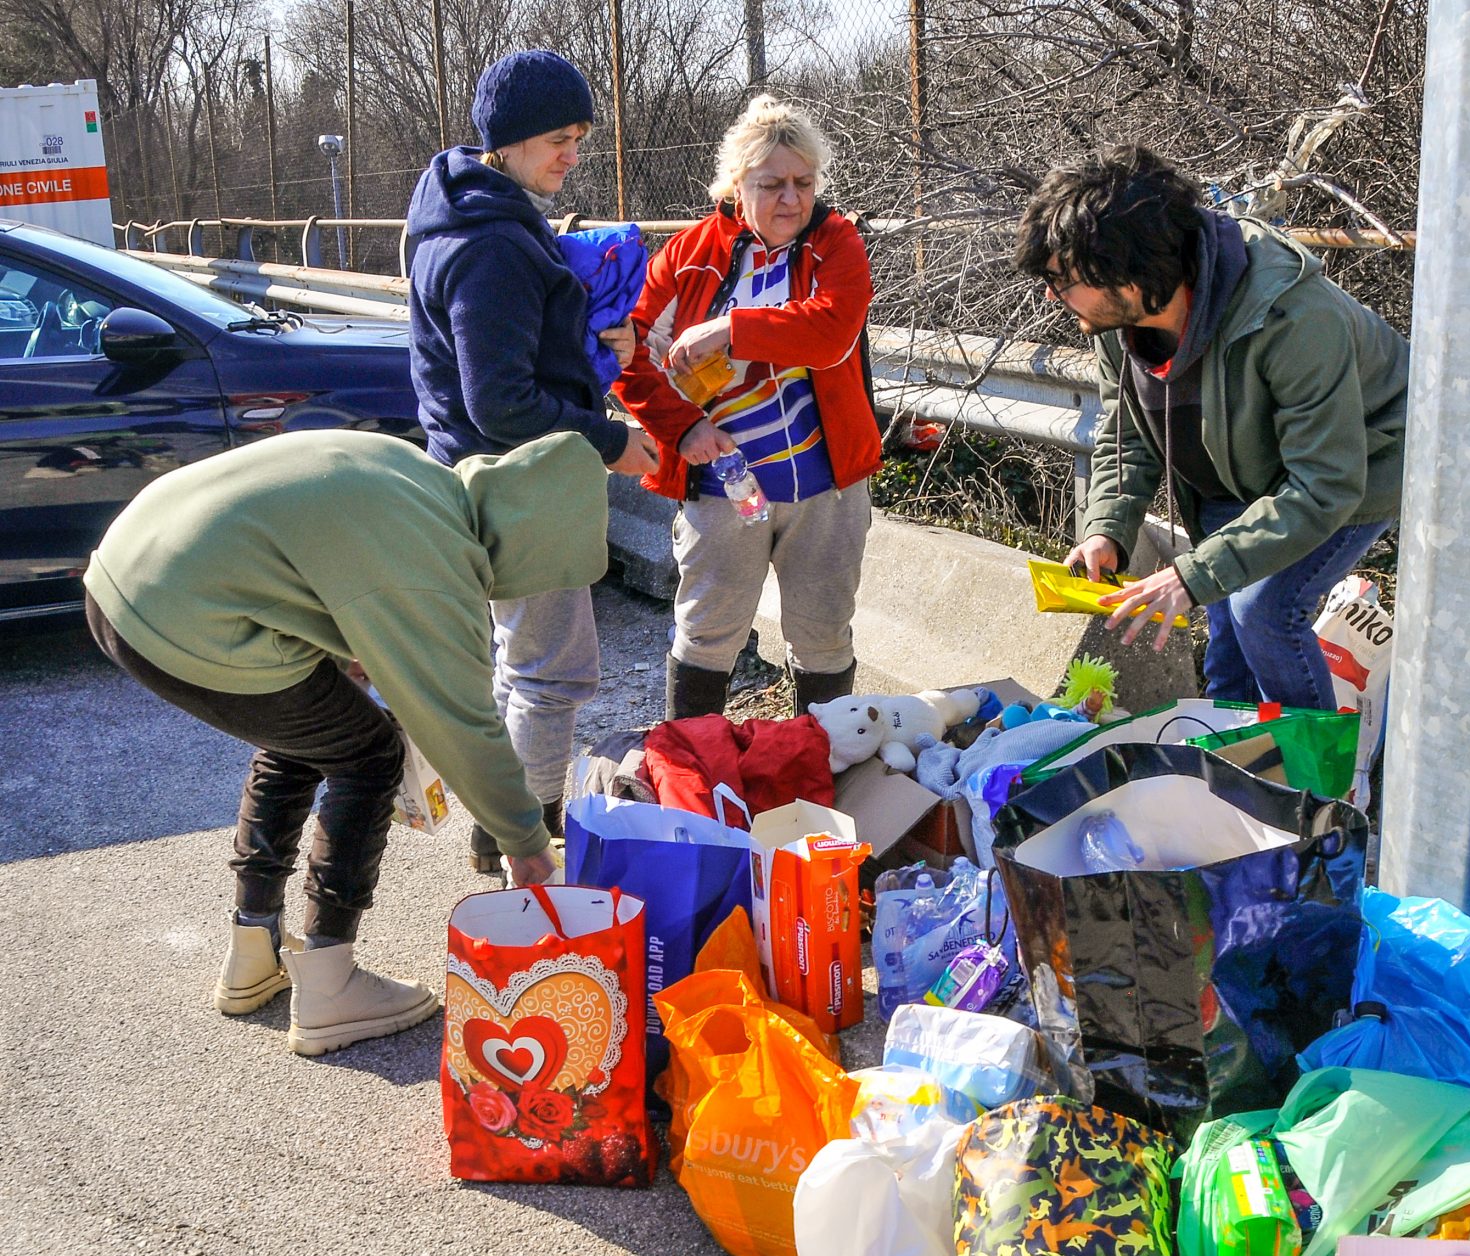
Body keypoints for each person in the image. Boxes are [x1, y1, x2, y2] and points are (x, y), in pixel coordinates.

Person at [81, 430, 632, 1056]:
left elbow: (309, 544)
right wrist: (526, 843)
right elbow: (461, 724)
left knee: (306, 733)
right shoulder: (431, 560)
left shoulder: (414, 475)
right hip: (185, 616)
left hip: (128, 573)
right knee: (369, 753)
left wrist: (348, 645)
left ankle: (253, 949)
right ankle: (329, 984)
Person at [1015, 145, 1409, 709]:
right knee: (1227, 646)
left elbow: (1325, 483)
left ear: (1127, 276)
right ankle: (1231, 751)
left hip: (1357, 462)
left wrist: (1192, 576)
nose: (1052, 296)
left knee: (1263, 613)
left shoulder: (1292, 316)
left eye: (1063, 280)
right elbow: (1128, 432)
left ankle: (1316, 762)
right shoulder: (1113, 318)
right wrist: (1106, 529)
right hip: (1236, 473)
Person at [406, 49, 657, 874]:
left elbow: (509, 360)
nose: (572, 155)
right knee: (554, 673)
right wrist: (611, 441)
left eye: (579, 138)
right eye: (558, 140)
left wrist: (601, 343)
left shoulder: (464, 211)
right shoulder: (493, 244)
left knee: (520, 666)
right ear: (507, 141)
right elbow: (502, 401)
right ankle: (526, 842)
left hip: (478, 474)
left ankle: (500, 829)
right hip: (516, 481)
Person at [615, 94, 882, 720]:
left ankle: (822, 762)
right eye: (772, 185)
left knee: (823, 637)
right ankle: (692, 765)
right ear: (737, 184)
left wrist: (729, 330)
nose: (792, 199)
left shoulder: (836, 241)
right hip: (721, 486)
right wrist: (683, 429)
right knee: (707, 634)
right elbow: (624, 352)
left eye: (803, 183)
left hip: (826, 490)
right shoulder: (687, 254)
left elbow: (831, 330)